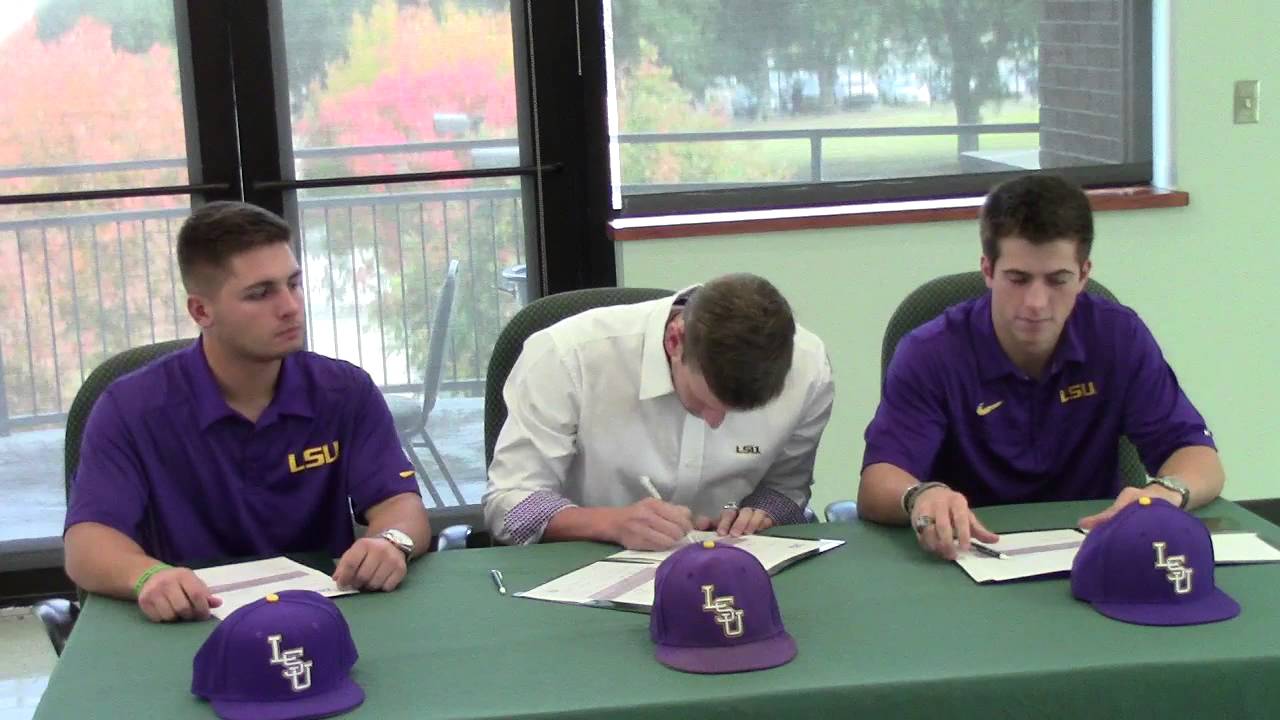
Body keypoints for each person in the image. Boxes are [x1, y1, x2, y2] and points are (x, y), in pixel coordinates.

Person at [63, 201, 431, 622]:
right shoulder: (130, 408)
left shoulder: (344, 391)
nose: (290, 306)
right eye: (261, 293)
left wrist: (390, 542)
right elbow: (87, 543)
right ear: (202, 311)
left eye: (293, 284)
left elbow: (400, 503)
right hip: (189, 621)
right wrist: (147, 576)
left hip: (322, 617)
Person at [857, 174, 1223, 559]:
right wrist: (920, 495)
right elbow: (878, 483)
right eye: (1018, 279)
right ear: (987, 270)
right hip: (965, 554)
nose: (1036, 302)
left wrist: (1166, 493)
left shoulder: (1117, 337)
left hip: (1093, 551)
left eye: (1057, 280)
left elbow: (1198, 456)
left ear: (1083, 274)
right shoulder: (930, 352)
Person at [483, 273, 835, 550]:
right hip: (589, 568)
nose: (716, 422)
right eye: (703, 402)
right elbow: (510, 507)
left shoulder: (808, 368)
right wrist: (612, 523)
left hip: (731, 570)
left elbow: (788, 490)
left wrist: (762, 514)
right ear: (674, 341)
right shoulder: (567, 356)